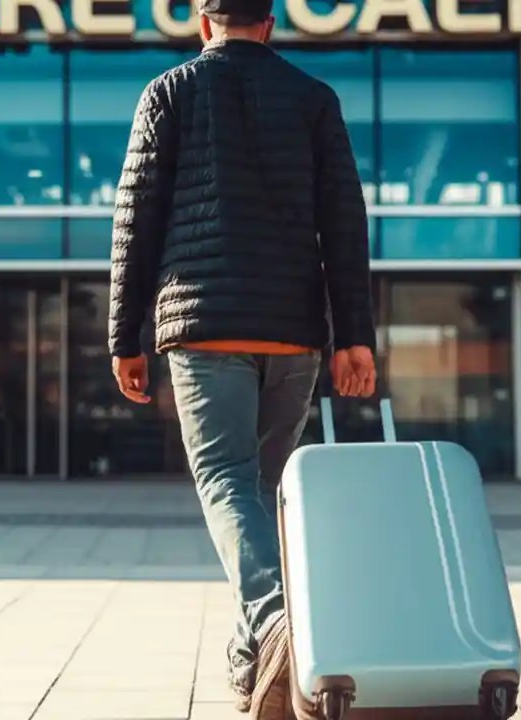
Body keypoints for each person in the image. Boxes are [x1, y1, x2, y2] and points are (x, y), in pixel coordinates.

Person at [107, 0, 377, 716]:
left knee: (229, 484)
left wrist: (124, 336)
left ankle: (275, 619)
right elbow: (344, 221)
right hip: (292, 330)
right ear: (271, 23)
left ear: (203, 25)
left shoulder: (169, 92)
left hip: (204, 326)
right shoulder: (314, 98)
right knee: (262, 496)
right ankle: (251, 671)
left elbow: (136, 217)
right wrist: (355, 334)